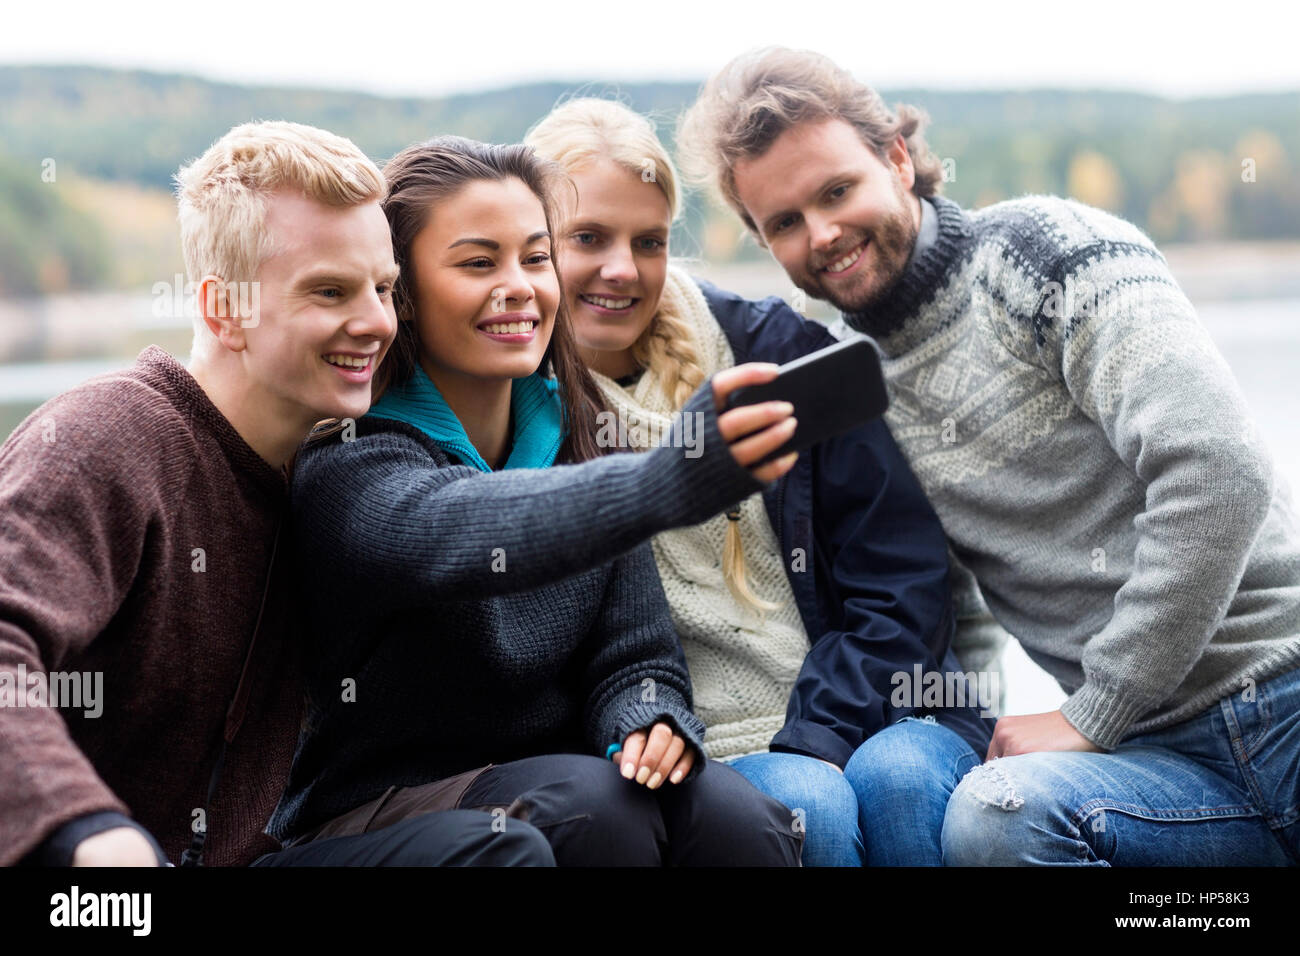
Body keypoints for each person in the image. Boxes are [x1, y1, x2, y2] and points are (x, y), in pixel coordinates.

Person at [677, 46, 1300, 866]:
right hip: (1147, 768)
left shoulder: (1048, 256)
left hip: (1279, 700)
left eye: (836, 191)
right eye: (785, 223)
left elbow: (1218, 471)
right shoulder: (850, 384)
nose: (822, 233)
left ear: (897, 158)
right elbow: (945, 597)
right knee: (995, 815)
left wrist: (1090, 714)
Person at [0, 120, 556, 868]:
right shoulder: (107, 437)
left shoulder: (328, 470)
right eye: (330, 291)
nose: (374, 323)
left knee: (498, 851)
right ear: (223, 308)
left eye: (385, 289)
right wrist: (87, 831)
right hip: (79, 882)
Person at [260, 135, 804, 867]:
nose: (519, 285)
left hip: (557, 782)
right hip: (377, 813)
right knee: (598, 813)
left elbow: (635, 654)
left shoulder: (581, 440)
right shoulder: (351, 464)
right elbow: (463, 527)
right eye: (479, 262)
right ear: (405, 294)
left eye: (535, 257)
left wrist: (648, 717)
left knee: (736, 816)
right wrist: (660, 483)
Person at [525, 98, 994, 865]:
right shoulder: (518, 409)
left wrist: (817, 733)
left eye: (647, 241)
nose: (621, 269)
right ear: (534, 245)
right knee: (805, 802)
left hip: (881, 700)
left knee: (903, 781)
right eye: (587, 238)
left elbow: (901, 579)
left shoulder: (776, 354)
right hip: (699, 739)